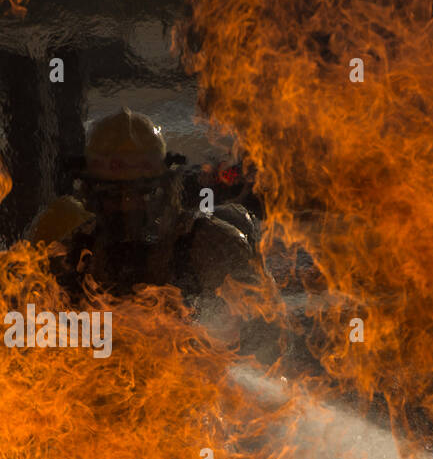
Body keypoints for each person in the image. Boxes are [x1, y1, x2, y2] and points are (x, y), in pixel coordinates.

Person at [24, 108, 259, 313]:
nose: (128, 205)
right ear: (90, 195)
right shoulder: (71, 257)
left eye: (143, 193)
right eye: (113, 195)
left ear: (166, 190)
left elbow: (264, 333)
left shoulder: (209, 246)